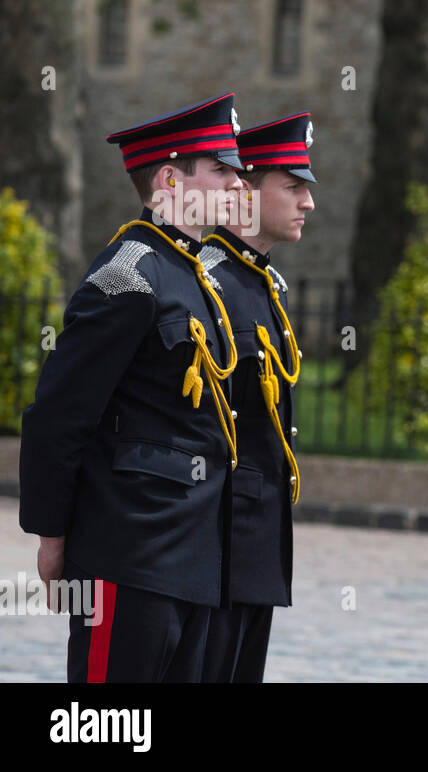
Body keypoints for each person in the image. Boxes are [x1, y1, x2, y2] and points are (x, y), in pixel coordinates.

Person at [19, 93, 245, 682]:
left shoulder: (197, 276)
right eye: (220, 169)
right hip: (129, 552)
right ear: (171, 178)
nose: (236, 182)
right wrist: (52, 535)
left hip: (195, 556)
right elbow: (60, 415)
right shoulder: (128, 274)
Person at [198, 111, 316, 682]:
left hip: (255, 543)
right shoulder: (209, 279)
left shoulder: (264, 283)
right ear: (245, 190)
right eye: (292, 187)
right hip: (209, 541)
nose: (308, 202)